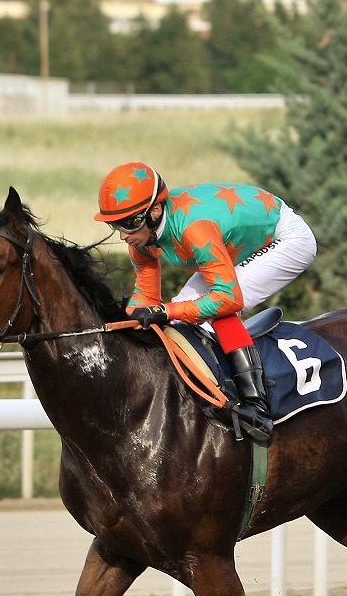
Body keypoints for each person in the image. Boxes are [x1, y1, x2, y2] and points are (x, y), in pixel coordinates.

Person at [93, 162, 317, 438]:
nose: (124, 234)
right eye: (116, 225)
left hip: (287, 238)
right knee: (182, 308)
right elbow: (146, 299)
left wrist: (166, 310)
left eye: (129, 223)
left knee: (213, 310)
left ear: (155, 211)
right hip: (236, 240)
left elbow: (228, 299)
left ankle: (256, 407)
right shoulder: (141, 238)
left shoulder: (193, 229)